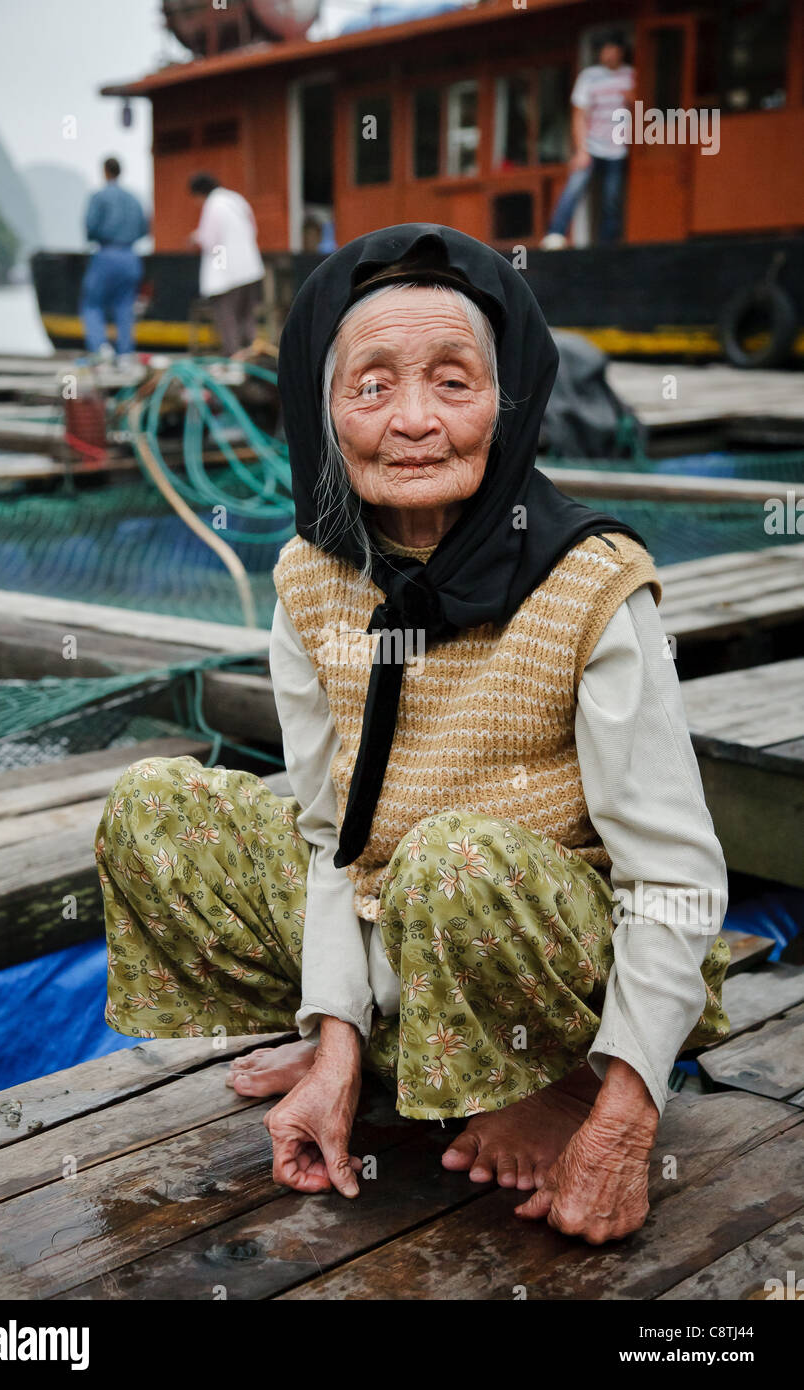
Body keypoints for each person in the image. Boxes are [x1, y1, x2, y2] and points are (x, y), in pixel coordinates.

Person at [95, 223, 731, 1246]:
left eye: (452, 382)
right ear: (323, 409)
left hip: (548, 945)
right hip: (399, 917)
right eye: (372, 386)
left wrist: (622, 1116)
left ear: (506, 399)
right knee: (157, 810)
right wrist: (335, 1039)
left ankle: (555, 1076)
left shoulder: (589, 583)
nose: (414, 421)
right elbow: (325, 841)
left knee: (452, 853)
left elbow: (674, 878)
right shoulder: (308, 580)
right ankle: (378, 1052)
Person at [541, 32, 634, 248]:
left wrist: (633, 98)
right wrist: (581, 149)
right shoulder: (590, 76)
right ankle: (555, 234)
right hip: (592, 145)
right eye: (604, 49)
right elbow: (579, 114)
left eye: (612, 49)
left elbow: (644, 109)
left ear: (621, 52)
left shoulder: (632, 75)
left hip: (619, 148)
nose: (608, 54)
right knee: (574, 188)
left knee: (612, 197)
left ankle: (608, 244)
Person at [188, 172, 264, 356]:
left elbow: (211, 241)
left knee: (226, 316)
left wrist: (220, 273)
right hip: (250, 267)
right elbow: (253, 229)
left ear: (200, 193)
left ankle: (234, 357)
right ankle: (252, 357)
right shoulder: (236, 200)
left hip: (229, 272)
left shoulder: (213, 205)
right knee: (246, 316)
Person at [80, 157, 148, 361]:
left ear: (105, 172)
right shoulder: (134, 199)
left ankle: (101, 348)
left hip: (107, 254)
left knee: (92, 303)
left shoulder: (99, 197)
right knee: (125, 305)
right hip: (130, 256)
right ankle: (125, 353)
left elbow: (90, 228)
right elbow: (144, 229)